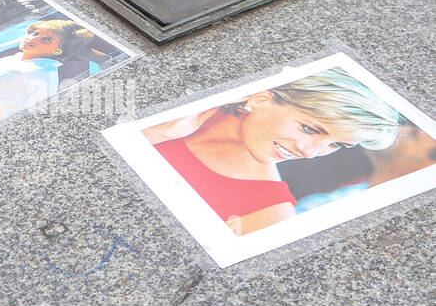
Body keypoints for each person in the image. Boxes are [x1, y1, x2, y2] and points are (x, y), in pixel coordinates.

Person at [143, 66, 401, 236]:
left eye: (337, 145)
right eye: (311, 129)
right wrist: (154, 135)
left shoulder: (269, 215)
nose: (310, 153)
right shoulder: (172, 112)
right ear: (260, 99)